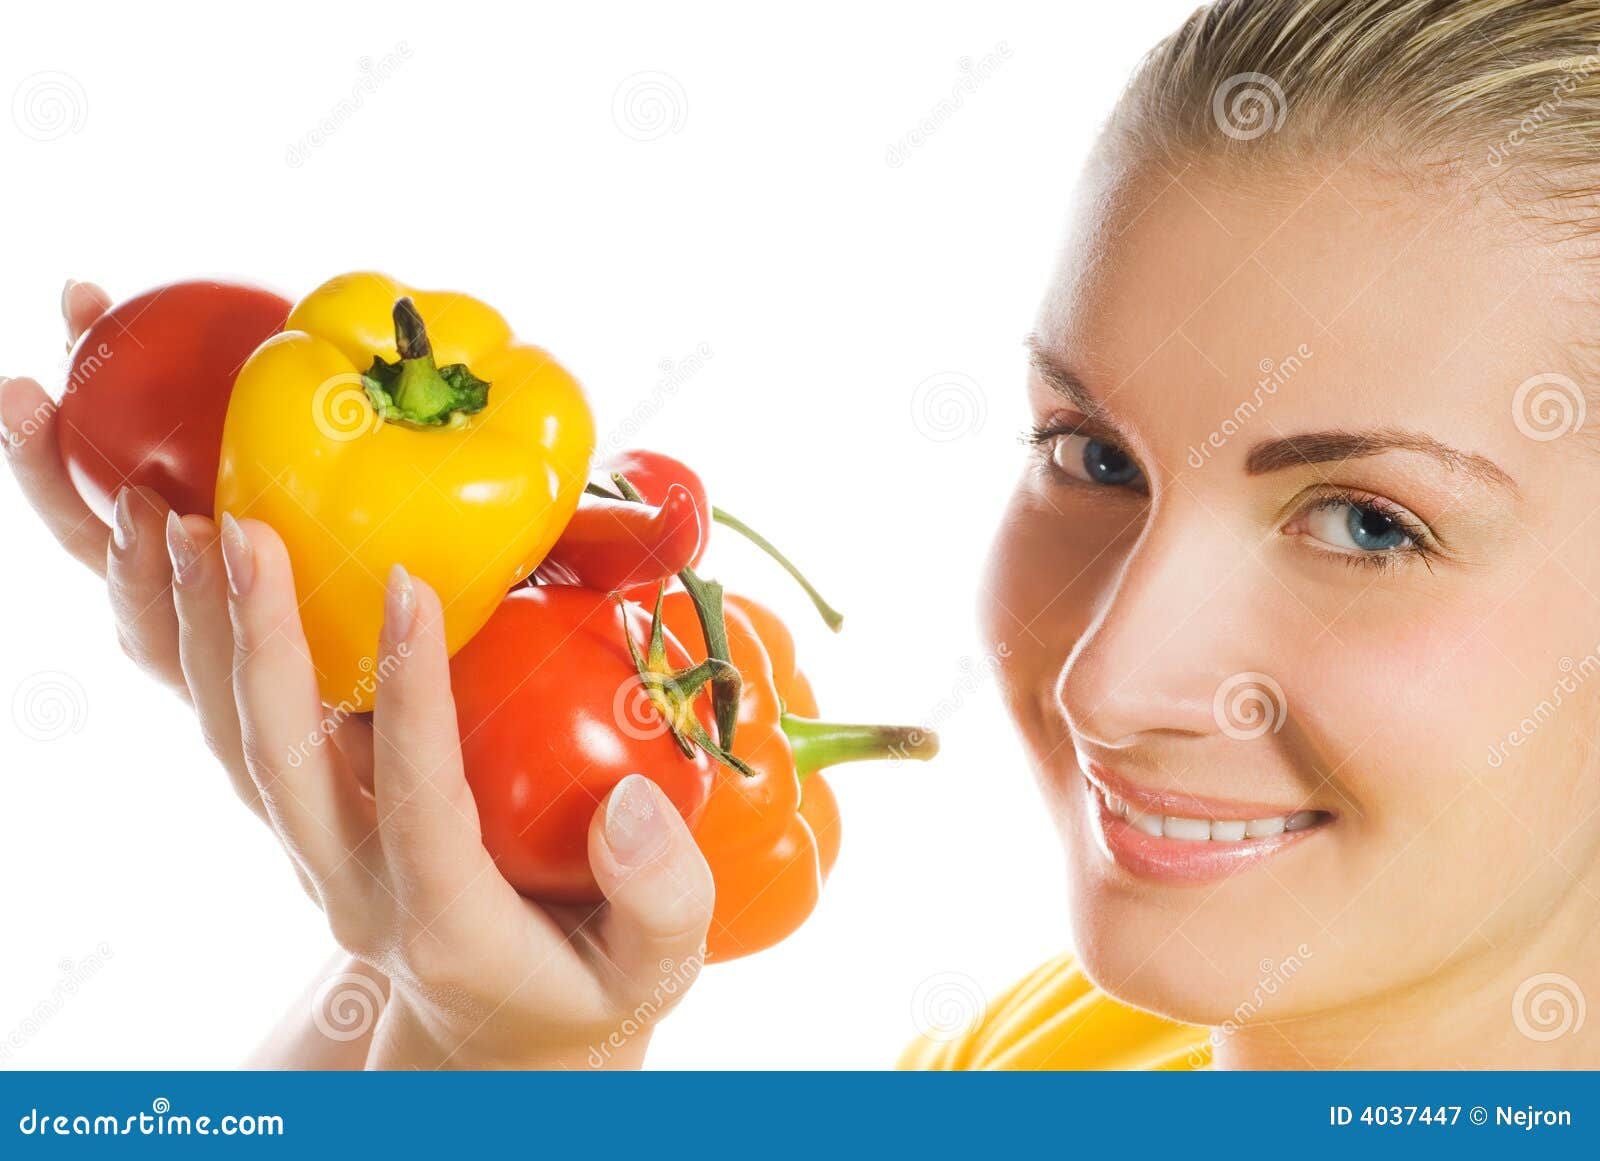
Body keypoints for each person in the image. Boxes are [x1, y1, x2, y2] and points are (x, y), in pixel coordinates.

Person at [5, 0, 1598, 1068]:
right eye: (1092, 452)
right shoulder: (1066, 1059)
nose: (1107, 682)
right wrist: (472, 1024)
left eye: (1371, 521)